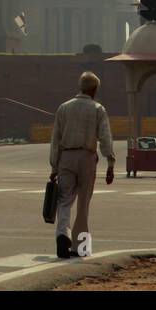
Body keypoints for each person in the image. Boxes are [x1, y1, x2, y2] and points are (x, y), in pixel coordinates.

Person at [49, 71, 116, 260]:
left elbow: (56, 139)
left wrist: (54, 167)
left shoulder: (64, 108)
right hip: (87, 157)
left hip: (66, 157)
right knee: (84, 204)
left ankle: (63, 234)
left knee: (64, 200)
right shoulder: (97, 109)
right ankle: (81, 247)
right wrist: (110, 163)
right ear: (94, 89)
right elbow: (105, 138)